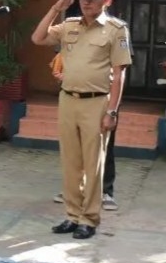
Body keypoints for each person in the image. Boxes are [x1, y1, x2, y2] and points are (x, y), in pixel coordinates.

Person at [31, 0, 132, 240]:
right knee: (70, 162)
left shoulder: (115, 29)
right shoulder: (69, 25)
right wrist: (57, 8)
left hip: (97, 102)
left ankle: (89, 219)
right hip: (68, 100)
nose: (86, 2)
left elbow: (119, 73)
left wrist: (112, 111)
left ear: (106, 0)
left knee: (93, 163)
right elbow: (38, 37)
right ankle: (72, 215)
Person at [50, 51, 119, 211]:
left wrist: (112, 110)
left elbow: (119, 73)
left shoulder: (116, 36)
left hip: (101, 97)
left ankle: (105, 191)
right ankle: (75, 190)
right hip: (74, 97)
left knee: (102, 148)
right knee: (74, 149)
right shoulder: (73, 35)